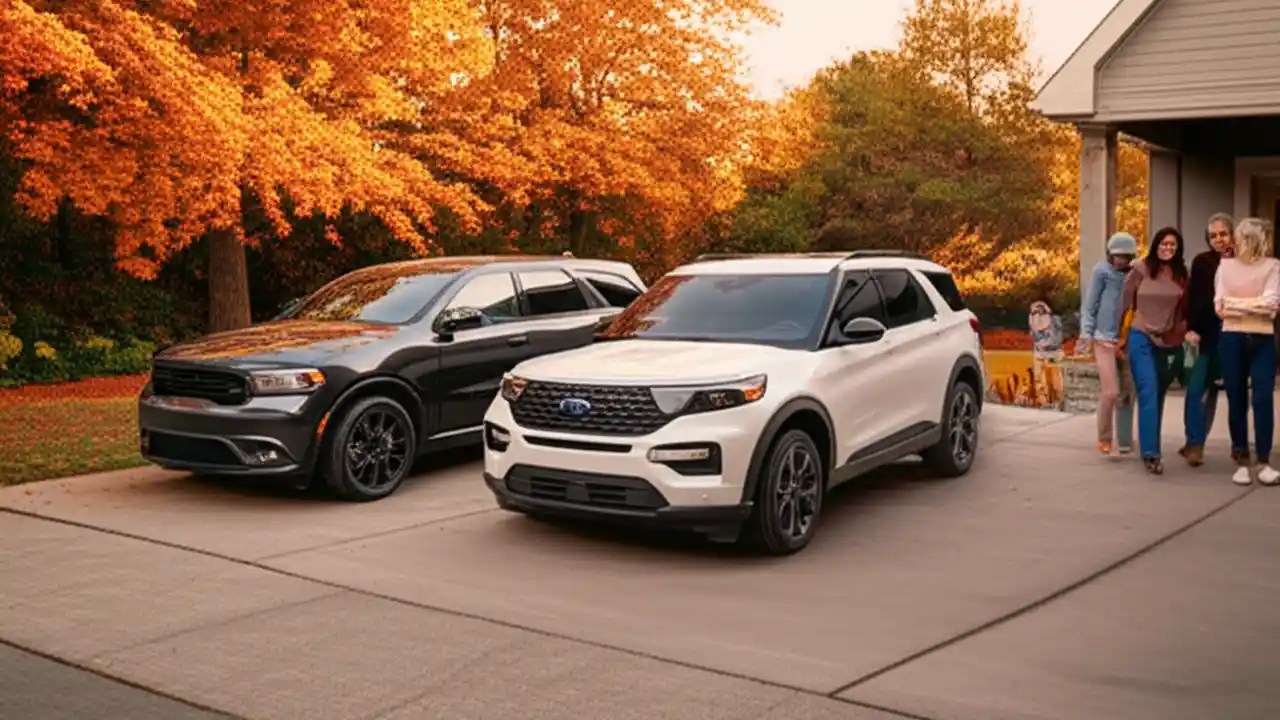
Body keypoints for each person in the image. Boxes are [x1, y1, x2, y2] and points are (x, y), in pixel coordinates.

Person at [1214, 217, 1280, 486]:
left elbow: (1272, 305)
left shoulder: (1273, 266)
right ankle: (1241, 458)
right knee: (1236, 398)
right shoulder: (1225, 267)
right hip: (1231, 337)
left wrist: (1236, 304)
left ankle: (1264, 460)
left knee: (1263, 397)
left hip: (1263, 338)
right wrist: (1255, 305)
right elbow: (1220, 307)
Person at [1122, 227, 1189, 475]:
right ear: (1156, 245)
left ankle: (1151, 445)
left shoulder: (1181, 274)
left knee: (1158, 395)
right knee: (1148, 389)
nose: (1167, 248)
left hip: (1167, 340)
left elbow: (1183, 310)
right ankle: (1151, 454)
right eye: (1163, 243)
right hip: (1140, 335)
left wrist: (1182, 333)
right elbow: (1124, 302)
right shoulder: (1141, 269)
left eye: (1172, 245)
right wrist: (1115, 336)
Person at [1178, 213, 1234, 466]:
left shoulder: (1244, 262)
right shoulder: (1202, 262)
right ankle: (1195, 444)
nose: (1219, 239)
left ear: (1232, 235)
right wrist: (1191, 328)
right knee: (1196, 390)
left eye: (1223, 234)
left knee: (1235, 395)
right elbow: (1195, 298)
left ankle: (1240, 446)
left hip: (1236, 336)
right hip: (1207, 336)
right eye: (1213, 236)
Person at [1078, 232, 1138, 456]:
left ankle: (1125, 439)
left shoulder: (1135, 274)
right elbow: (1090, 306)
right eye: (1117, 256)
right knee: (1110, 392)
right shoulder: (1101, 272)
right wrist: (1086, 333)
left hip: (1127, 339)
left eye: (1126, 256)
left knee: (1128, 393)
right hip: (1103, 339)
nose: (1121, 260)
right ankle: (1104, 437)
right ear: (1110, 254)